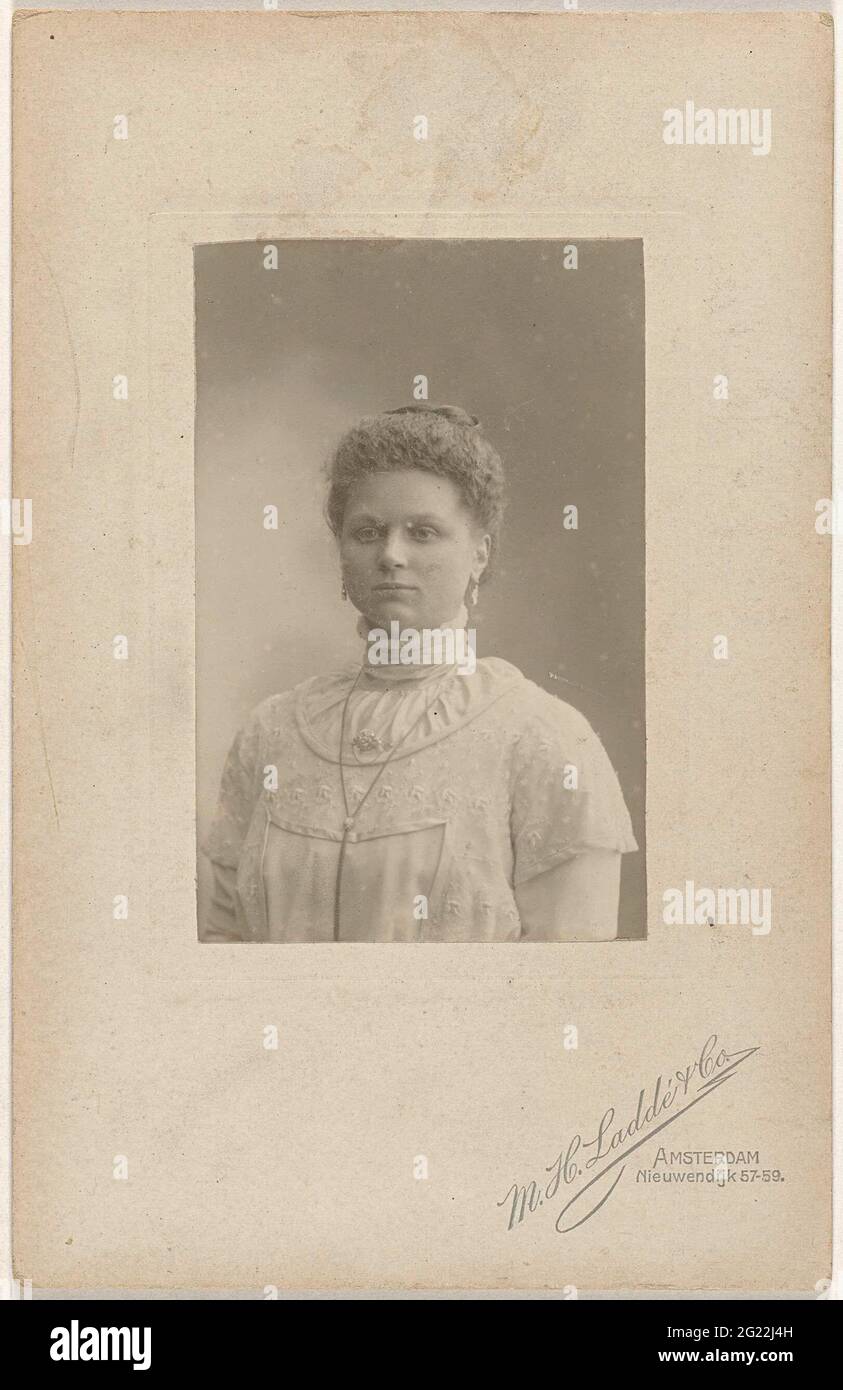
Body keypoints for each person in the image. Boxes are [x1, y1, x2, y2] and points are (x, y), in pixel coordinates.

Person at [201, 404, 638, 943]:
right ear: (341, 550)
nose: (391, 554)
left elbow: (565, 987)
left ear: (480, 553)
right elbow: (224, 945)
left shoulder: (543, 736)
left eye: (423, 532)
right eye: (367, 532)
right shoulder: (272, 733)